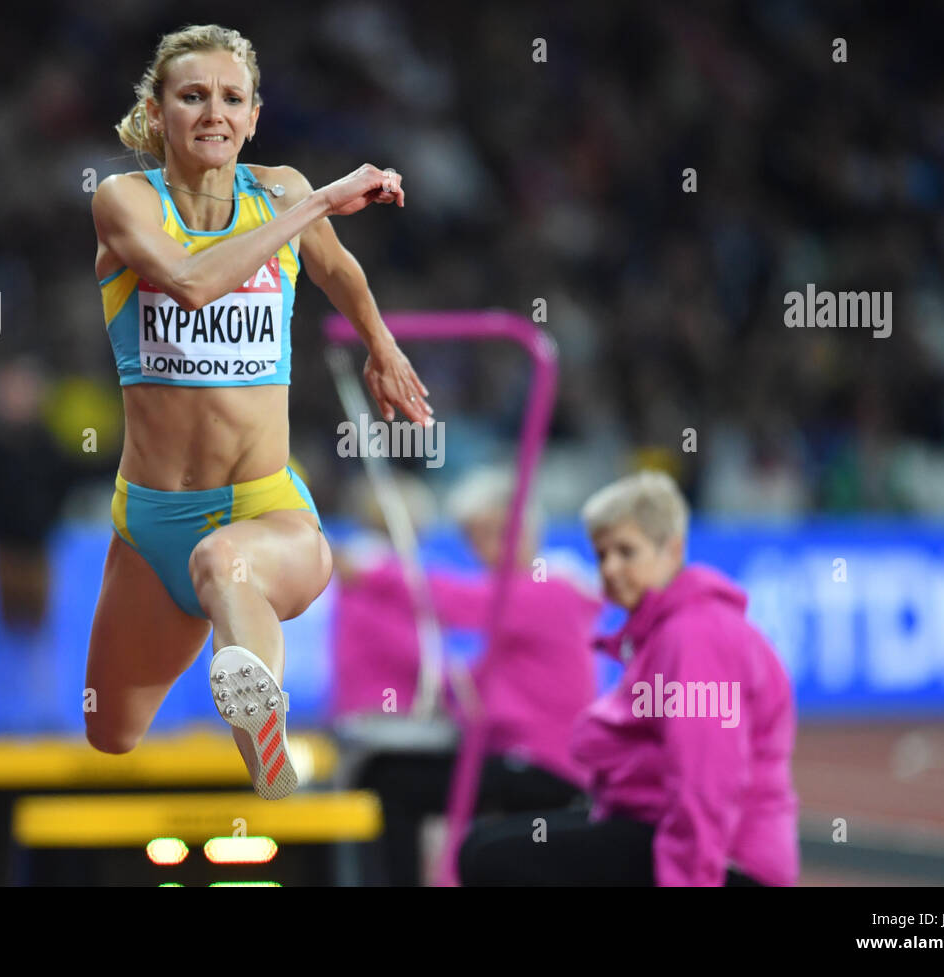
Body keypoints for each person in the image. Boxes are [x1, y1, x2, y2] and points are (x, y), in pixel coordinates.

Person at [84, 24, 432, 800]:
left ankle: (262, 742)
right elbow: (191, 281)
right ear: (157, 111)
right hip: (151, 521)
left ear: (254, 116)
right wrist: (315, 206)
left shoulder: (279, 191)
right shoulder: (124, 200)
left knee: (225, 563)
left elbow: (341, 271)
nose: (214, 112)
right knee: (109, 732)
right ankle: (245, 690)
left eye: (231, 98)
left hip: (268, 510)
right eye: (193, 96)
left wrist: (381, 344)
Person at [459, 470, 799, 885]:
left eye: (626, 552)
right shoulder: (662, 633)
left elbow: (708, 780)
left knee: (495, 858)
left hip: (722, 861)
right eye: (602, 555)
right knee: (486, 848)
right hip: (660, 831)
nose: (612, 569)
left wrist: (687, 880)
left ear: (672, 551)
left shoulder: (697, 638)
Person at [344, 467, 601, 884]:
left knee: (394, 785)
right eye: (474, 537)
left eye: (494, 532)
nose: (484, 548)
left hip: (544, 764)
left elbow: (453, 601)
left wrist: (374, 573)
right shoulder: (525, 600)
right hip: (512, 757)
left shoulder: (548, 590)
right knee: (385, 775)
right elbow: (468, 688)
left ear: (524, 528)